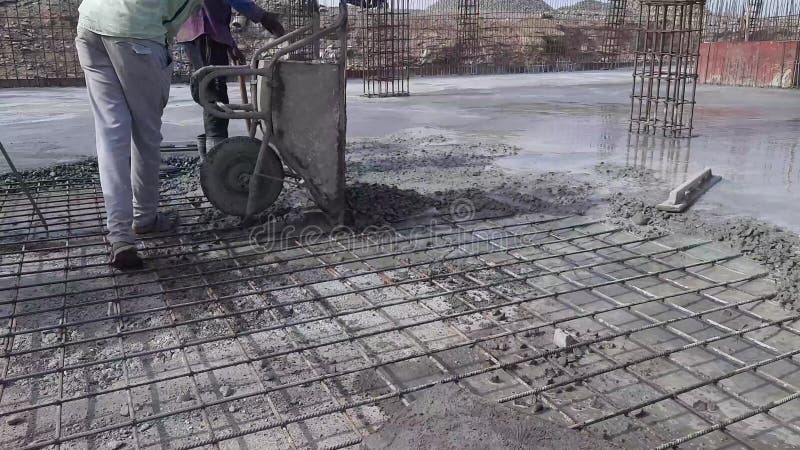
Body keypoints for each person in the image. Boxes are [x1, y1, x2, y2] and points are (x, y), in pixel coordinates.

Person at [75, 0, 205, 270]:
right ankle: (145, 217)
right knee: (145, 135)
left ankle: (120, 236)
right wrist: (260, 15)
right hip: (136, 34)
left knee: (111, 133)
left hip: (91, 24)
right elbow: (174, 21)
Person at [177, 1, 285, 153]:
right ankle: (217, 157)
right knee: (214, 95)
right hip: (203, 30)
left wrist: (230, 45)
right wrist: (263, 17)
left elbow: (215, 14)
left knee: (210, 92)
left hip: (200, 32)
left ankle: (211, 151)